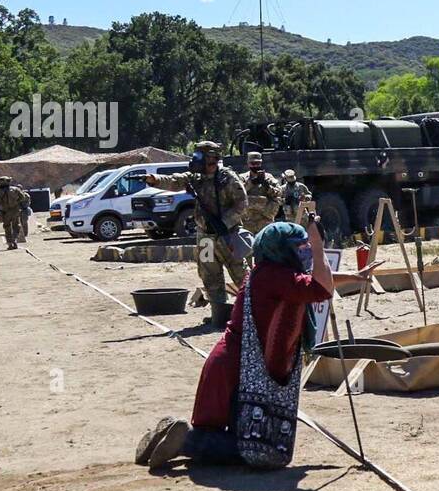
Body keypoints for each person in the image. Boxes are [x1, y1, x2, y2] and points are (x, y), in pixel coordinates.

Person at [136, 220, 380, 469]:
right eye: (300, 246)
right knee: (259, 450)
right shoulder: (273, 276)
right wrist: (319, 246)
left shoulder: (269, 271)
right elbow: (319, 287)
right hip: (237, 370)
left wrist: (353, 276)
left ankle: (172, 435)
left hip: (234, 364)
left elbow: (310, 282)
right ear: (282, 250)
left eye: (306, 245)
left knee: (233, 438)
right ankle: (185, 440)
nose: (305, 251)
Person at [146, 141, 249, 327]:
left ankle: (252, 314)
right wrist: (154, 179)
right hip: (205, 238)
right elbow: (177, 180)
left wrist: (224, 224)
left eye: (200, 156)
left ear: (211, 158)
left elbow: (241, 204)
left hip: (228, 236)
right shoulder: (196, 177)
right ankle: (219, 314)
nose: (196, 160)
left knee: (242, 275)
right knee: (209, 275)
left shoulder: (228, 178)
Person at [240, 152, 283, 236]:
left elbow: (278, 193)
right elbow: (237, 193)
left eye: (258, 163)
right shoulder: (242, 178)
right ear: (248, 164)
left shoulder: (268, 177)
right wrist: (251, 183)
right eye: (253, 163)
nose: (255, 166)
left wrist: (266, 185)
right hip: (247, 220)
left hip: (265, 218)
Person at [0, 176, 26, 250]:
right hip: (15, 210)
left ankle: (10, 243)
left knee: (7, 227)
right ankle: (14, 240)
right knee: (16, 226)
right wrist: (16, 202)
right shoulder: (15, 189)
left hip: (5, 212)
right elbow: (23, 197)